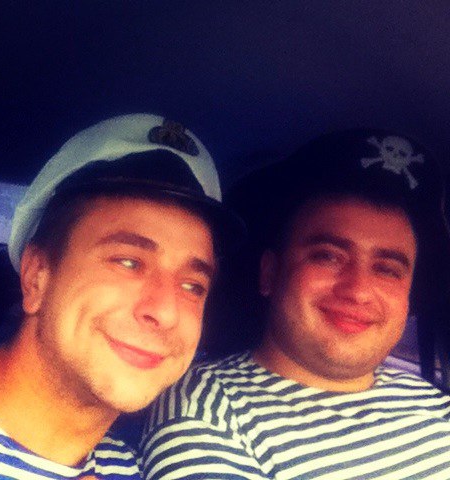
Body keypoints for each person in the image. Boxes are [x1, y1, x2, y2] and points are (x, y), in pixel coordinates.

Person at [141, 129, 450, 479]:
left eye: (387, 270)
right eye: (328, 256)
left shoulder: (435, 402)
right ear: (270, 273)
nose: (359, 290)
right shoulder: (206, 409)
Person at [0, 113, 242, 478]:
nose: (165, 311)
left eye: (193, 286)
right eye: (128, 262)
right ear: (36, 277)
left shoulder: (129, 467)